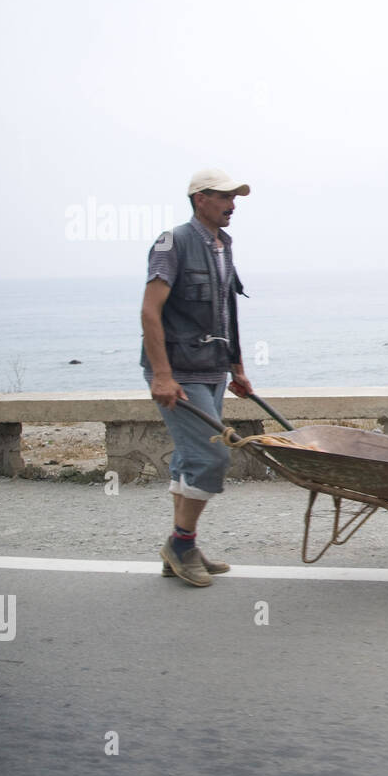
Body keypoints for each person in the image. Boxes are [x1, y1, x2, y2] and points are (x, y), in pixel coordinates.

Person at [140, 167, 254, 587]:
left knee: (190, 459)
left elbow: (228, 311)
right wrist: (162, 376)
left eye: (235, 197)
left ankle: (181, 548)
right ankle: (182, 543)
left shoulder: (224, 246)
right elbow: (150, 310)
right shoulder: (173, 243)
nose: (233, 204)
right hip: (179, 373)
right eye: (225, 196)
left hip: (212, 368)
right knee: (213, 457)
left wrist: (237, 367)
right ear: (199, 198)